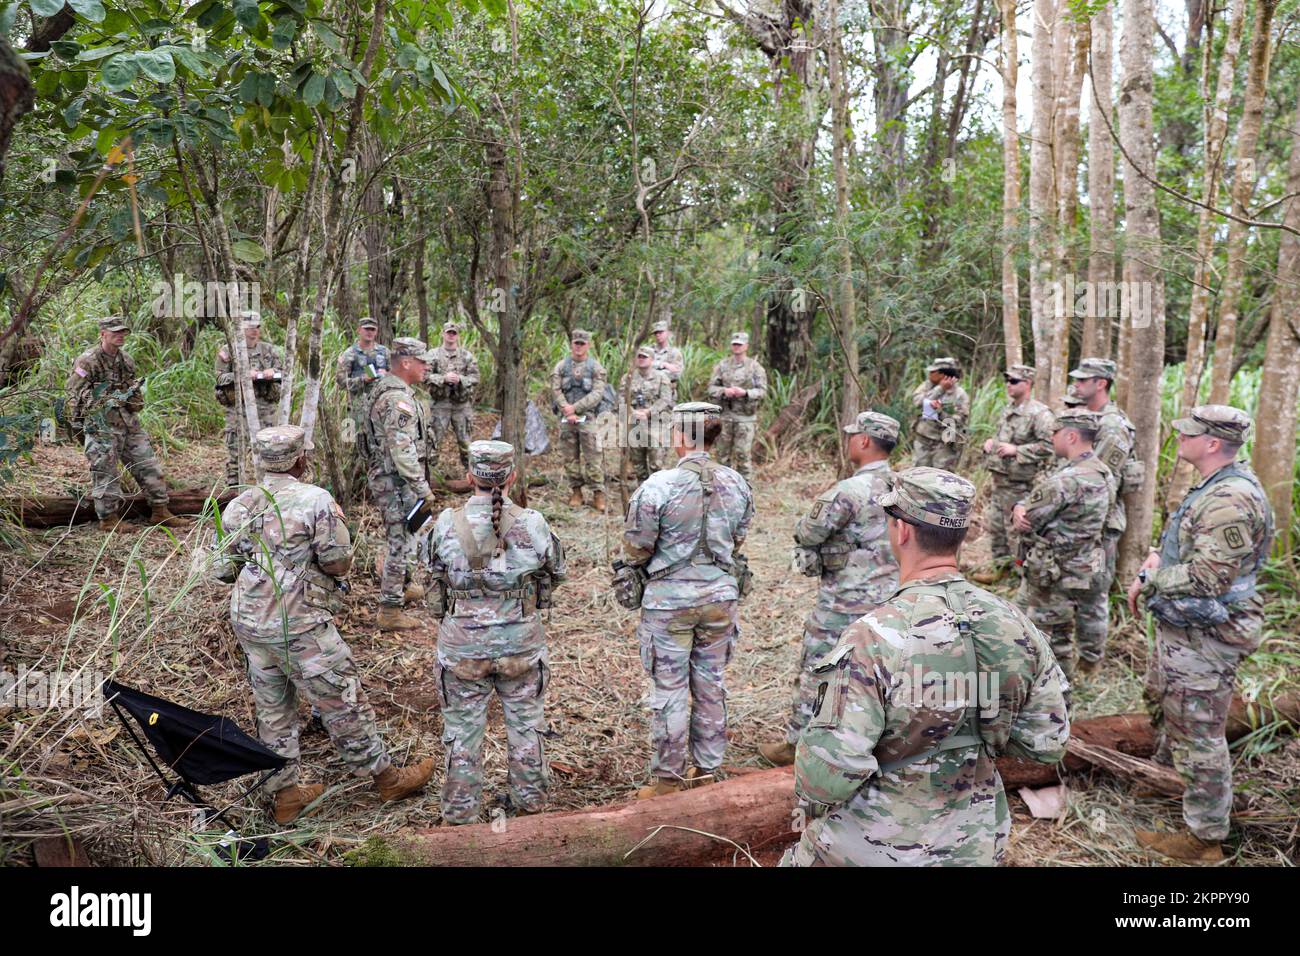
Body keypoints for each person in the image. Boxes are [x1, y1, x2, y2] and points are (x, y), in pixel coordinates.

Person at [782, 467, 1070, 867]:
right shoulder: (1015, 623)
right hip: (976, 839)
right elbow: (1046, 744)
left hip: (875, 844)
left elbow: (826, 777)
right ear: (962, 535)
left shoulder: (874, 635)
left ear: (901, 531)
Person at [211, 424, 433, 824]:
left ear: (259, 461)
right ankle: (387, 778)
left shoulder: (239, 505)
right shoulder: (316, 500)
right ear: (301, 460)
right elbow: (338, 561)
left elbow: (223, 569)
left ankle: (286, 796)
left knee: (273, 708)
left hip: (249, 621)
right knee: (341, 699)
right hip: (298, 623)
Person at [1128, 405, 1273, 863]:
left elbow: (1209, 576)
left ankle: (1205, 837)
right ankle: (1172, 784)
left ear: (1212, 444)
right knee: (1166, 702)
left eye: (1189, 434)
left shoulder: (1230, 499)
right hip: (1187, 627)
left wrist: (1152, 579)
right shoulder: (1214, 487)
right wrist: (1158, 559)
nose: (1181, 439)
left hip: (1208, 635)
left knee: (1199, 733)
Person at [425, 441, 565, 825]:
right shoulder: (533, 522)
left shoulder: (445, 523)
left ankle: (459, 815)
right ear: (512, 476)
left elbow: (430, 575)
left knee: (461, 731)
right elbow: (557, 571)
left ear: (470, 477)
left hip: (463, 647)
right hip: (520, 644)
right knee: (526, 723)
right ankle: (530, 806)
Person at [622, 402, 754, 797]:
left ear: (680, 436)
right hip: (720, 597)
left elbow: (636, 548)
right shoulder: (737, 483)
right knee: (711, 683)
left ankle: (668, 780)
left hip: (669, 603)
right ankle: (708, 770)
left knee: (670, 687)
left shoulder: (658, 485)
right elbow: (739, 538)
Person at [758, 411, 900, 766]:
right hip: (892, 600)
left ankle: (798, 745)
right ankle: (876, 742)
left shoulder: (849, 490)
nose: (849, 440)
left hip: (844, 601)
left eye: (853, 435)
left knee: (820, 667)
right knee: (879, 673)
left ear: (864, 441)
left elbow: (808, 532)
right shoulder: (905, 487)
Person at [1011, 410, 1114, 695]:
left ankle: (1055, 697)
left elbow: (1029, 518)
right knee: (1069, 627)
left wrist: (1018, 508)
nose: (1051, 438)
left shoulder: (1066, 480)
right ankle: (1079, 676)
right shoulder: (1104, 473)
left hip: (1055, 570)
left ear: (1071, 436)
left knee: (1051, 637)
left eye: (1055, 433)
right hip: (1085, 563)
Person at [64, 316, 188, 531]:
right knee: (105, 471)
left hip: (128, 423)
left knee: (148, 464)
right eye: (115, 332)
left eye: (122, 332)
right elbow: (72, 392)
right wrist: (102, 400)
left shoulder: (127, 360)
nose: (120, 335)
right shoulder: (87, 361)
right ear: (103, 334)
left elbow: (132, 388)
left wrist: (133, 397)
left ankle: (160, 510)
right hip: (101, 425)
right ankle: (108, 519)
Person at [1068, 356, 1142, 673]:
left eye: (1083, 380)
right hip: (1077, 524)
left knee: (1093, 591)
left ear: (1101, 384)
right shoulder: (1085, 417)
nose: (1076, 384)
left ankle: (1090, 661)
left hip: (1098, 529)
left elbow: (1102, 480)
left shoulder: (1112, 426)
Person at [367, 337, 436, 630]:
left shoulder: (392, 391)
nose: (427, 367)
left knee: (410, 532)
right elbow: (401, 449)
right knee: (399, 539)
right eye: (422, 362)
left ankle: (403, 585)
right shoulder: (398, 400)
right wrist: (422, 488)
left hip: (394, 478)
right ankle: (389, 610)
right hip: (394, 480)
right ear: (406, 363)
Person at [972, 364, 1054, 584]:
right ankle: (1001, 572)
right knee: (996, 529)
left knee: (1016, 534)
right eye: (1007, 380)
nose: (1009, 384)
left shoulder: (1040, 414)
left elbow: (1050, 446)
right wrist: (991, 443)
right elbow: (1004, 439)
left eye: (1014, 381)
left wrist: (1018, 450)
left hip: (1020, 484)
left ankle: (1020, 581)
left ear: (1027, 384)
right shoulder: (1008, 409)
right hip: (1000, 481)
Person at [215, 311, 284, 486]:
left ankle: (270, 484)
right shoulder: (228, 350)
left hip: (265, 407)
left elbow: (284, 373)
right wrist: (242, 375)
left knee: (270, 446)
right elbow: (220, 378)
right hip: (238, 407)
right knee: (235, 446)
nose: (255, 331)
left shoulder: (268, 349)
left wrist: (273, 373)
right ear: (242, 328)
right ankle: (233, 487)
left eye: (257, 327)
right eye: (251, 327)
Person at [550, 329, 609, 509]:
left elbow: (598, 393)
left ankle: (598, 494)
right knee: (570, 457)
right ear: (571, 345)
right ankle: (576, 492)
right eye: (576, 343)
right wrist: (567, 411)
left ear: (588, 345)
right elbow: (555, 390)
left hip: (588, 418)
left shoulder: (596, 368)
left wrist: (575, 408)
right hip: (567, 419)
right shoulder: (561, 367)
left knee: (593, 457)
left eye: (582, 344)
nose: (579, 347)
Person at [706, 331, 767, 482]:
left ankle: (744, 488)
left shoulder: (755, 367)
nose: (737, 347)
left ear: (746, 346)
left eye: (740, 344)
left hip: (745, 418)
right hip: (725, 416)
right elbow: (711, 388)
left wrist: (745, 393)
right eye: (734, 344)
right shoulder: (722, 365)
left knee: (743, 455)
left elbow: (762, 391)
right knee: (722, 455)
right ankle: (722, 487)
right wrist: (723, 391)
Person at [334, 317, 390, 468]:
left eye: (373, 329)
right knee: (352, 443)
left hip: (381, 406)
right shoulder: (350, 354)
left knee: (381, 442)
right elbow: (340, 382)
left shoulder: (384, 352)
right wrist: (362, 380)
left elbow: (396, 377)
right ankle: (354, 476)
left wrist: (387, 375)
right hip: (357, 407)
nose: (370, 332)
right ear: (359, 330)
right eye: (366, 329)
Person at [425, 320, 480, 471]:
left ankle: (473, 477)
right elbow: (424, 375)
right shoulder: (433, 355)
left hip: (461, 406)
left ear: (457, 336)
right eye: (448, 332)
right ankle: (429, 477)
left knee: (466, 443)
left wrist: (460, 379)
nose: (451, 335)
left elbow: (475, 378)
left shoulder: (467, 356)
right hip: (439, 404)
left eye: (454, 333)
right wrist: (443, 378)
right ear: (443, 334)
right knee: (433, 441)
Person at [620, 345, 674, 482]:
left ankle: (658, 490)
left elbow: (666, 399)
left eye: (645, 357)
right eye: (639, 356)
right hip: (635, 424)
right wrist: (632, 412)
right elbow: (621, 398)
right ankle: (642, 490)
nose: (641, 359)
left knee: (656, 463)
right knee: (638, 463)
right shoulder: (628, 378)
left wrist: (650, 412)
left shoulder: (661, 378)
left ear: (652, 359)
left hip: (656, 425)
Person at [910, 357, 969, 470]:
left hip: (944, 444)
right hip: (924, 439)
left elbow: (958, 421)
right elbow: (917, 402)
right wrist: (939, 389)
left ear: (944, 375)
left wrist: (940, 412)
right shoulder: (926, 386)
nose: (930, 374)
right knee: (918, 474)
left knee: (942, 478)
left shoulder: (959, 395)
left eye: (933, 372)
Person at [650, 320, 684, 398]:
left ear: (667, 333)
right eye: (656, 333)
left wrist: (662, 366)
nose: (658, 335)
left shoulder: (674, 352)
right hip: (649, 392)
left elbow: (677, 373)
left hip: (667, 395)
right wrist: (665, 366)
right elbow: (641, 367)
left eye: (660, 332)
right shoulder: (649, 351)